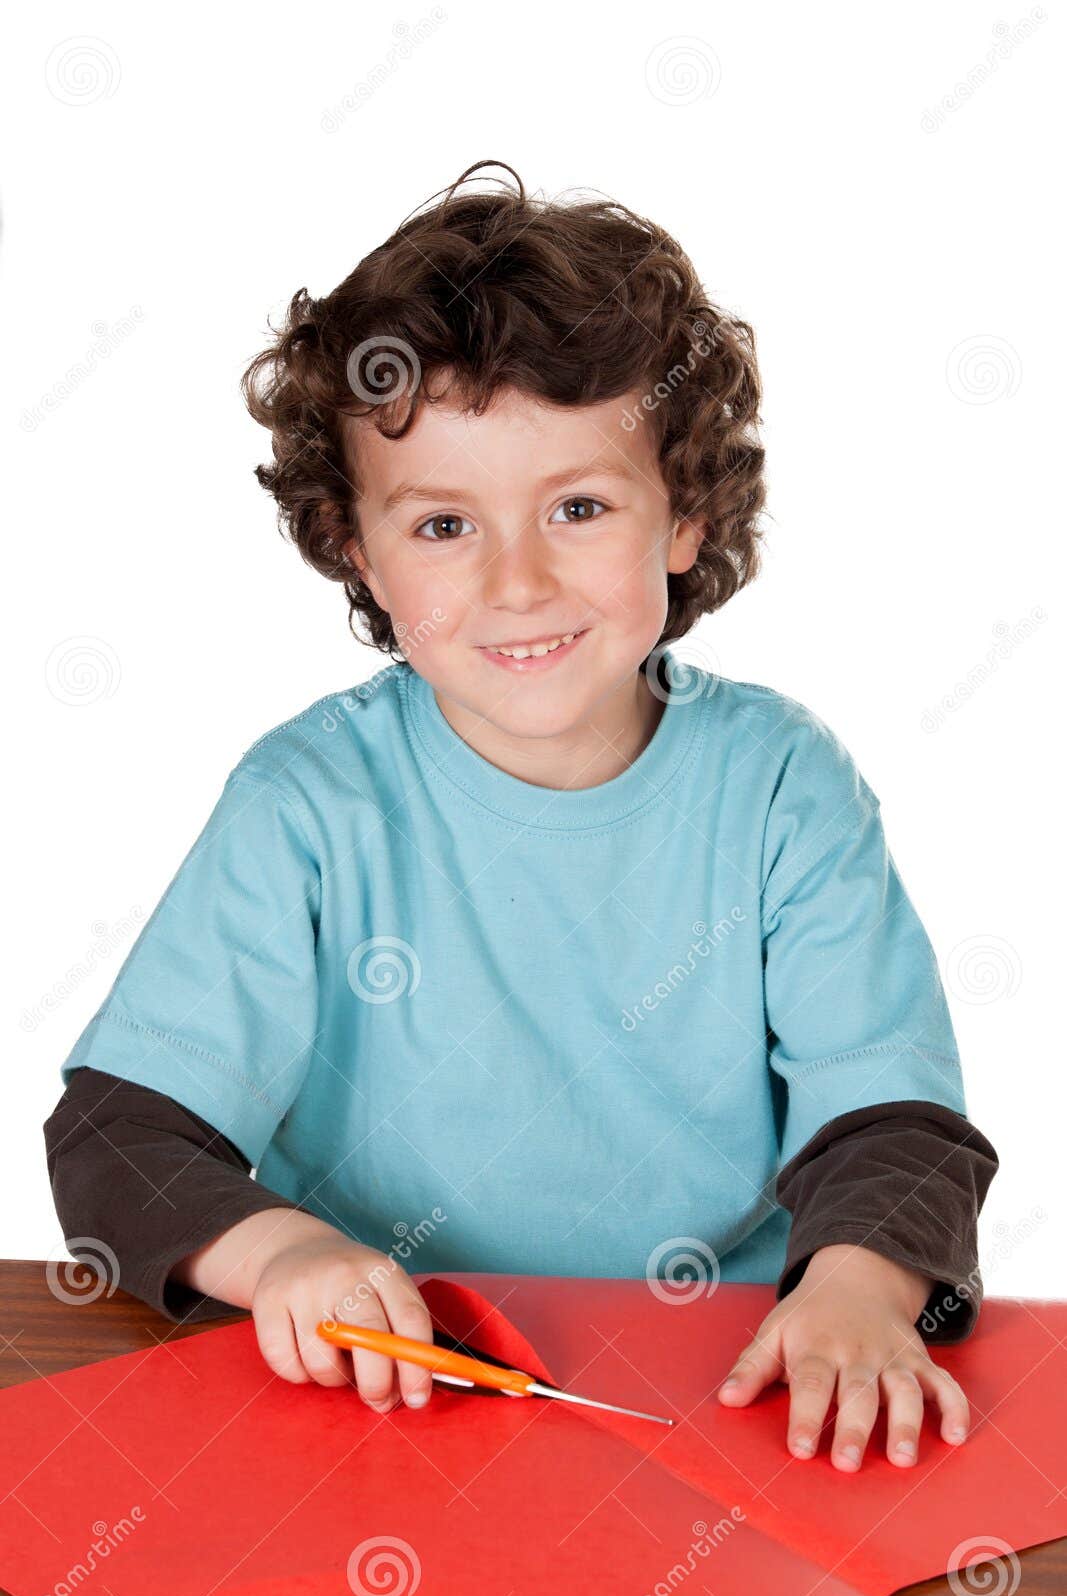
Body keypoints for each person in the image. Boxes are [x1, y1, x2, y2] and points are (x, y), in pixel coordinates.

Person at [44, 160, 997, 1473]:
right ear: (356, 549)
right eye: (444, 522)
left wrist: (854, 1292)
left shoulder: (784, 789)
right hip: (385, 1398)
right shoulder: (307, 805)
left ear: (688, 516)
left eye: (580, 506)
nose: (519, 579)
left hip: (735, 1400)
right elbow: (121, 1139)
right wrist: (288, 1258)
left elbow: (894, 1127)